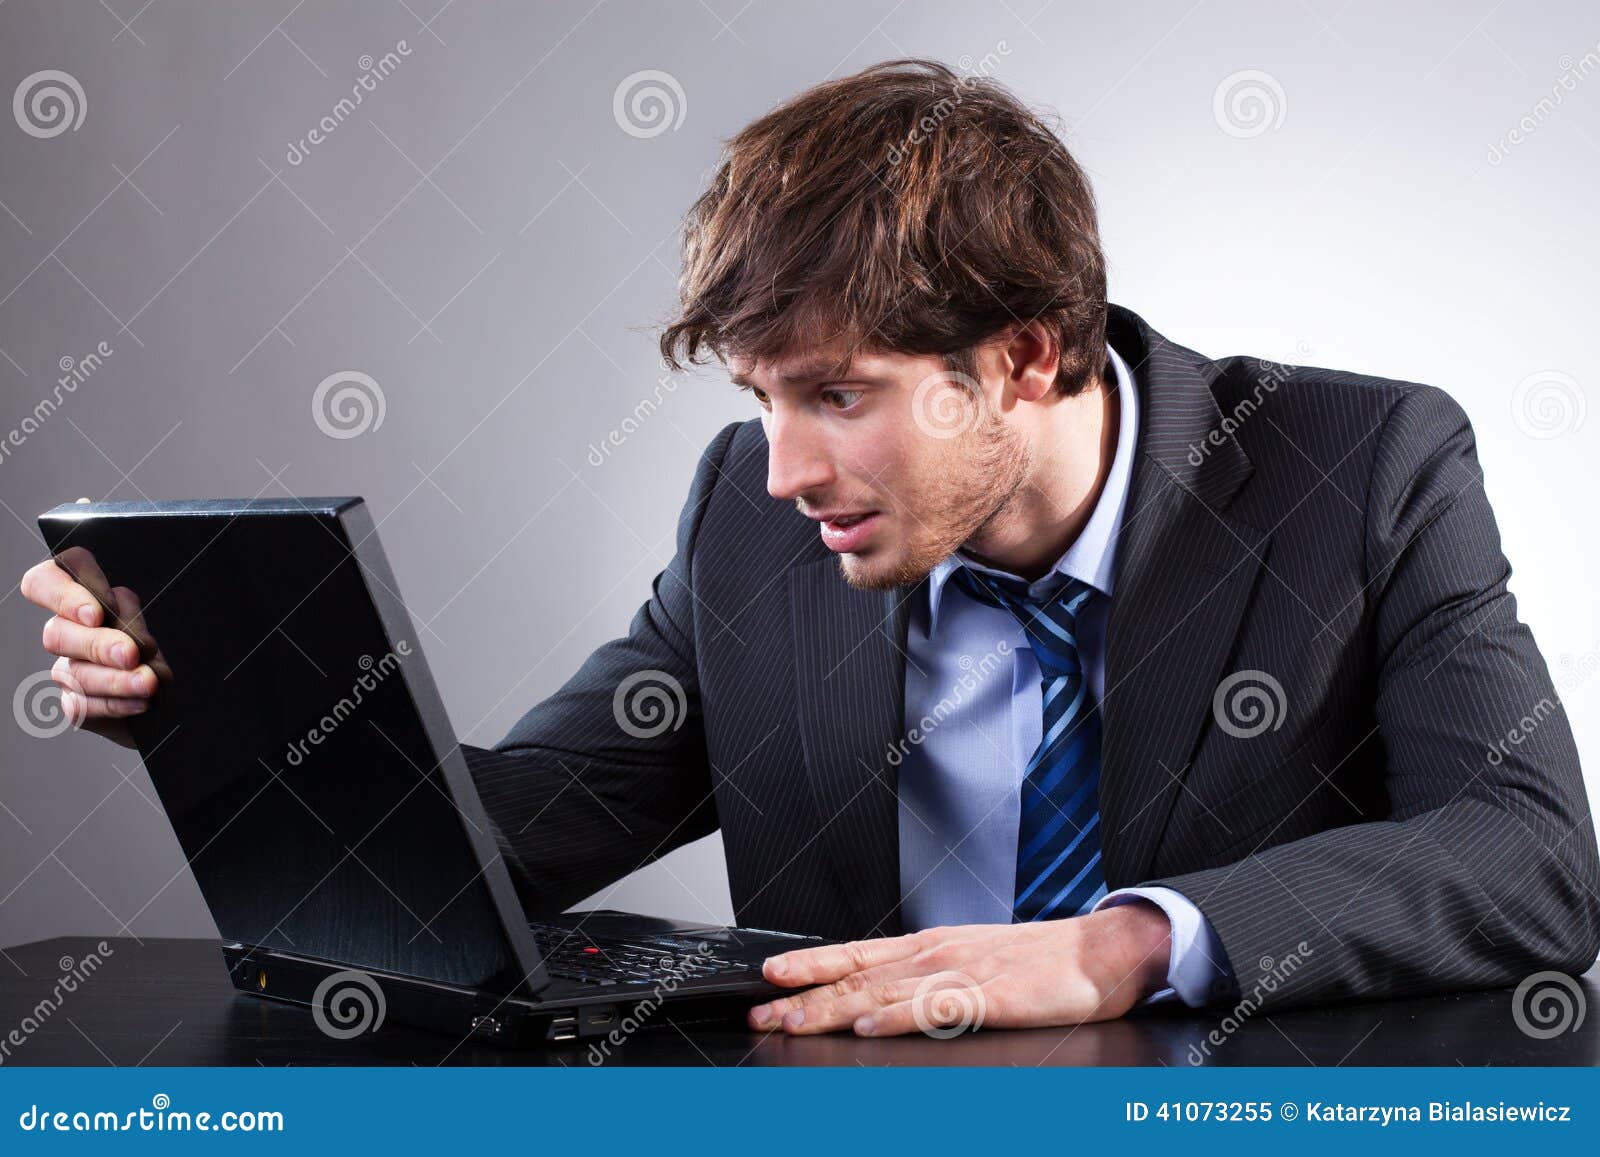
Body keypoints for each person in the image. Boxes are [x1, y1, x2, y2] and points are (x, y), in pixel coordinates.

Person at [20, 60, 1599, 1038]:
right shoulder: (748, 520)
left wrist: (1124, 947)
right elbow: (507, 847)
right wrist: (214, 700)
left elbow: (1529, 852)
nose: (781, 467)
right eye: (762, 397)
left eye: (838, 394)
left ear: (1028, 355)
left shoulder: (1363, 467)